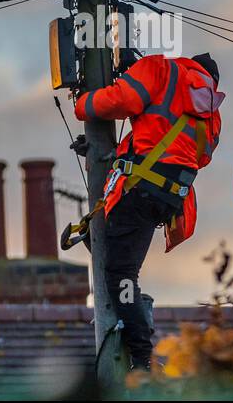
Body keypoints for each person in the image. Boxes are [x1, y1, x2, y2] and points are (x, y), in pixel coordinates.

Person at [74, 52, 223, 370]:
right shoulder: (210, 112)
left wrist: (81, 102)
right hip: (168, 199)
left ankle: (140, 356)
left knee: (120, 275)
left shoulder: (160, 69)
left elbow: (119, 100)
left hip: (139, 190)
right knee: (112, 254)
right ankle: (132, 313)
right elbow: (198, 156)